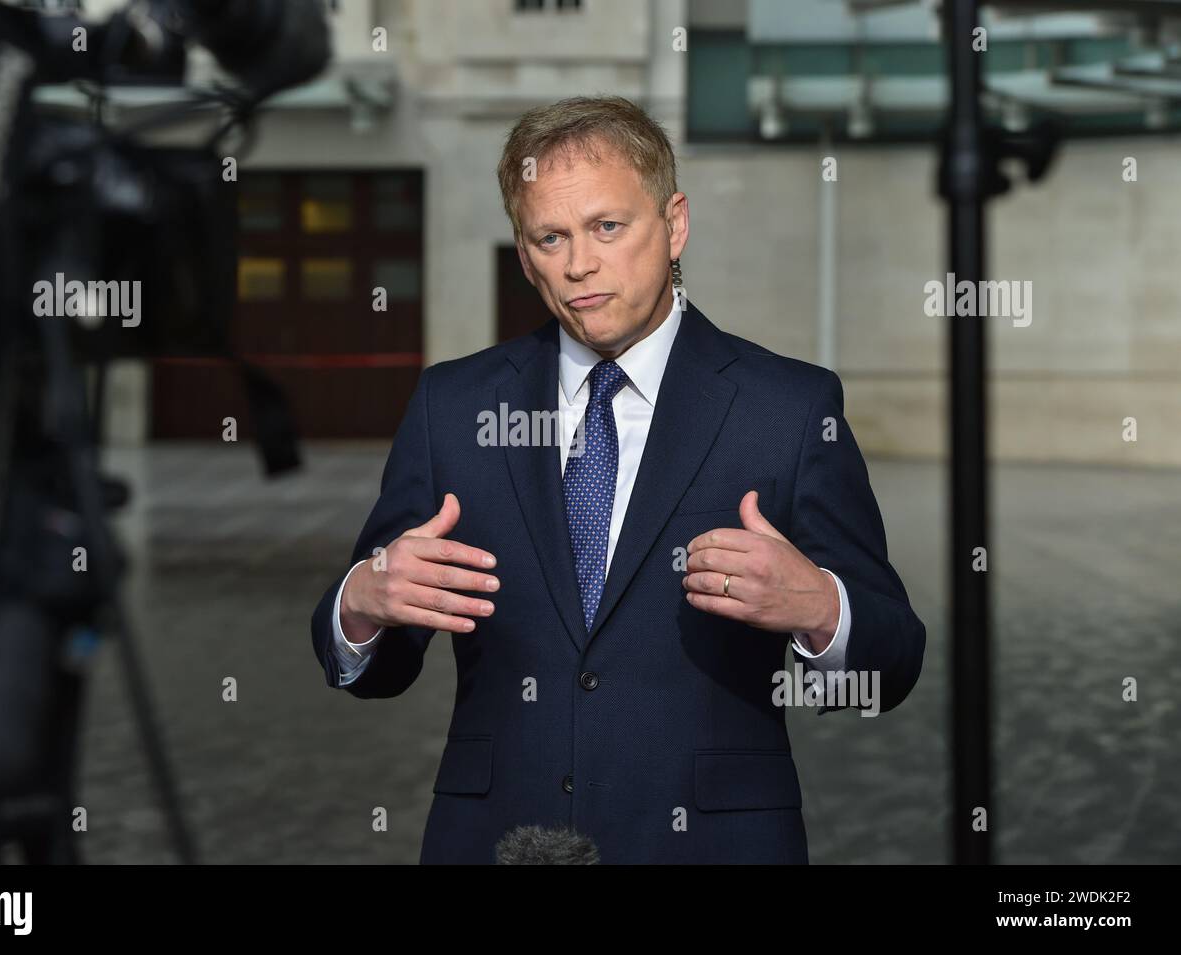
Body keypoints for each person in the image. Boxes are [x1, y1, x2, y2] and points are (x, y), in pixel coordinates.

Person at [311, 95, 925, 864]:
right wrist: (362, 604)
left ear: (675, 225)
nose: (578, 263)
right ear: (524, 251)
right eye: (550, 236)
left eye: (608, 227)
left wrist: (818, 608)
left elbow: (892, 661)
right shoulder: (453, 405)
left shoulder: (789, 408)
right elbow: (376, 669)